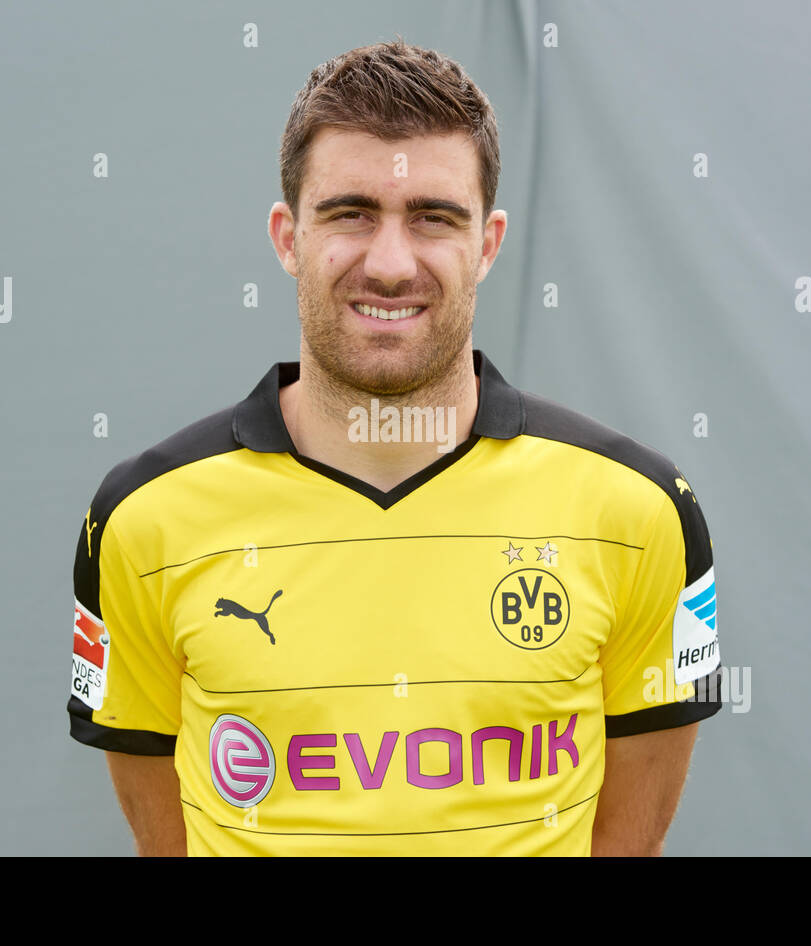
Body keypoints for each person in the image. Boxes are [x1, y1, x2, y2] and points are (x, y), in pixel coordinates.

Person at [68, 39, 722, 856]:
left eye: (433, 219)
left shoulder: (640, 513)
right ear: (287, 237)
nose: (388, 263)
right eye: (350, 214)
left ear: (487, 244)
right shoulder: (142, 522)